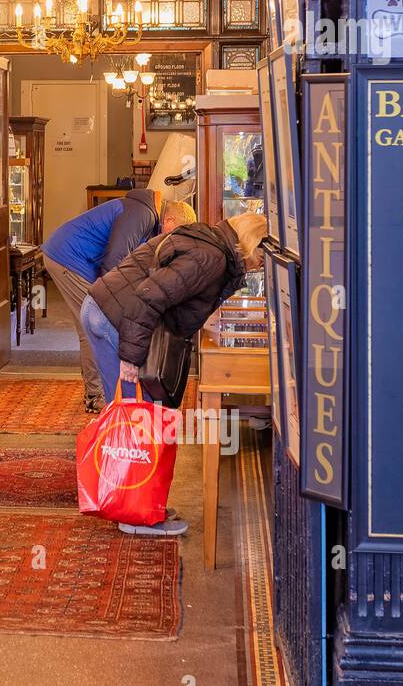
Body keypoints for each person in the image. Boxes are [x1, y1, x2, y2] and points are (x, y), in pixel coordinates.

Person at [80, 212, 269, 537]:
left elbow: (178, 293)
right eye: (263, 256)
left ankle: (128, 502)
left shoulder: (210, 243)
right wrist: (131, 356)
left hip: (104, 307)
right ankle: (138, 513)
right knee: (142, 415)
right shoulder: (211, 257)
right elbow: (150, 296)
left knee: (133, 414)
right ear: (252, 245)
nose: (262, 264)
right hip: (116, 315)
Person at [43, 191, 197, 414]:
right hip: (68, 258)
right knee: (93, 324)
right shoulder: (142, 213)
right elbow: (115, 260)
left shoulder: (146, 214)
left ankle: (103, 393)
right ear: (169, 220)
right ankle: (98, 396)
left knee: (93, 322)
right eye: (176, 234)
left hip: (74, 258)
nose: (173, 241)